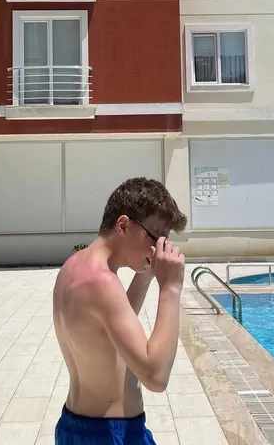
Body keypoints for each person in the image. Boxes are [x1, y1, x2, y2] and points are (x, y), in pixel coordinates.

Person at [53, 177, 187, 444]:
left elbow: (110, 327)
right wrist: (170, 289)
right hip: (110, 434)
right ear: (124, 225)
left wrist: (146, 274)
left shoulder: (75, 266)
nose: (158, 248)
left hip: (74, 426)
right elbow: (156, 376)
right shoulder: (103, 282)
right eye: (155, 237)